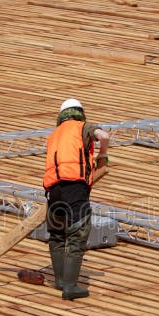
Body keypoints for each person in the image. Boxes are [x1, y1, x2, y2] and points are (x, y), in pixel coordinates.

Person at [43, 99, 110, 300]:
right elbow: (104, 136)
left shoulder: (53, 136)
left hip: (53, 191)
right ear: (79, 113)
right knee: (77, 235)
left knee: (56, 235)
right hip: (75, 189)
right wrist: (102, 154)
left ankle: (60, 280)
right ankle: (70, 287)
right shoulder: (82, 127)